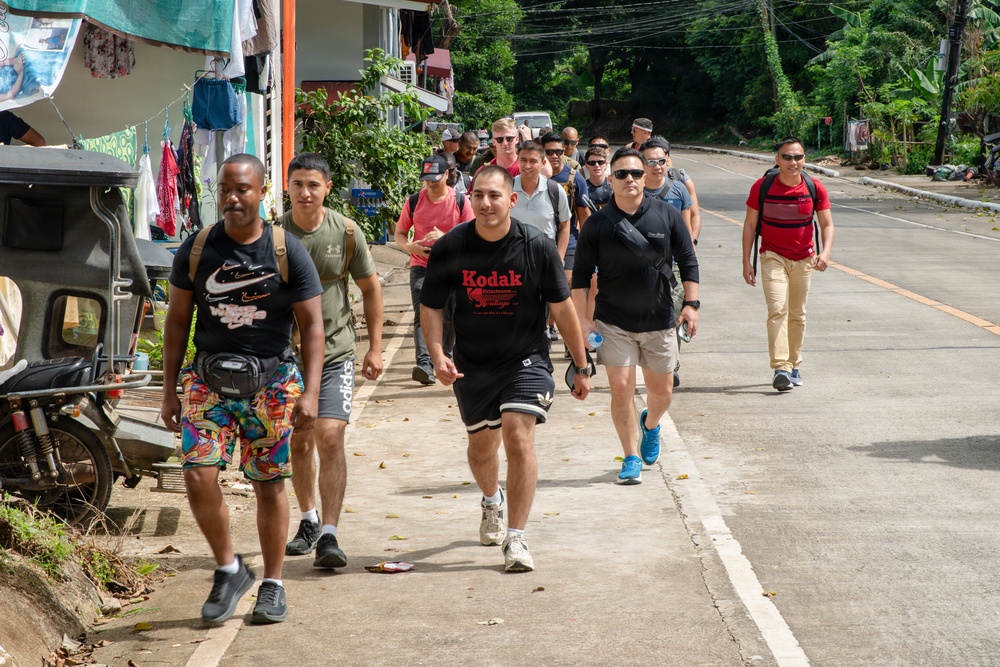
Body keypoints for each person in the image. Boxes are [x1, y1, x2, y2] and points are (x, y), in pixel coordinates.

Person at [161, 153, 325, 625]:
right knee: (197, 475)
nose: (233, 198)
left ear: (261, 193)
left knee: (270, 485)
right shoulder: (196, 249)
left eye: (243, 190)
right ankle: (229, 567)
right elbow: (176, 322)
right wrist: (170, 390)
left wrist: (310, 393)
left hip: (271, 385)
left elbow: (312, 325)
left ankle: (272, 583)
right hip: (207, 384)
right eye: (226, 190)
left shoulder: (285, 250)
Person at [419, 165, 591, 572]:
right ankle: (491, 500)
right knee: (482, 449)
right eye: (478, 195)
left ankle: (517, 538)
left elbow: (562, 308)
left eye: (494, 195)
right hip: (473, 364)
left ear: (511, 200)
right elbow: (431, 305)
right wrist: (437, 353)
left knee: (517, 436)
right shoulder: (452, 247)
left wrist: (581, 363)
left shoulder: (535, 246)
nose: (485, 203)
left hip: (525, 360)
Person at [279, 152, 385, 570]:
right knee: (300, 440)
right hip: (286, 357)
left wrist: (374, 347)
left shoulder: (346, 232)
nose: (305, 193)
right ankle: (308, 519)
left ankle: (330, 533)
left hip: (337, 351)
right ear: (287, 187)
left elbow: (372, 289)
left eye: (313, 185)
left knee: (329, 436)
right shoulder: (271, 235)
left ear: (327, 186)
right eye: (297, 185)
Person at [571, 147, 699, 485]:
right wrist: (584, 321)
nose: (630, 179)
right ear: (610, 180)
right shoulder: (598, 224)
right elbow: (580, 277)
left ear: (647, 177)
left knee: (663, 392)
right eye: (622, 174)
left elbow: (688, 260)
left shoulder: (666, 215)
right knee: (621, 390)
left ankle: (650, 424)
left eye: (636, 173)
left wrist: (691, 304)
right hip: (614, 323)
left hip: (659, 320)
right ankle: (629, 456)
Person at [741, 137, 834, 391]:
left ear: (804, 159)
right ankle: (780, 367)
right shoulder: (762, 186)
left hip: (804, 259)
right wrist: (746, 262)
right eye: (787, 157)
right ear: (777, 159)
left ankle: (794, 365)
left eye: (798, 157)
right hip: (772, 256)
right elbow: (750, 225)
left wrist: (825, 253)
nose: (793, 162)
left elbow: (827, 224)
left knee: (797, 314)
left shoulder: (814, 187)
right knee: (777, 309)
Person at [394, 154, 474, 385]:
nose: (430, 184)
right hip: (421, 266)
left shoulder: (460, 201)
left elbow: (471, 233)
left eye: (435, 180)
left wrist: (445, 237)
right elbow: (399, 234)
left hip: (452, 267)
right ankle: (424, 364)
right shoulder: (413, 202)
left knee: (449, 314)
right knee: (423, 313)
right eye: (426, 180)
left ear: (447, 175)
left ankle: (444, 358)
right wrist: (409, 247)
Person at [641, 137, 695, 387]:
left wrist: (688, 258)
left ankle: (671, 365)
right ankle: (656, 363)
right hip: (640, 264)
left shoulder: (678, 190)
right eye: (650, 161)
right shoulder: (634, 190)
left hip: (672, 263)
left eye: (661, 160)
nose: (656, 166)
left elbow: (685, 229)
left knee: (672, 312)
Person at [541, 132, 590, 342]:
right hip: (540, 240)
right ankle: (542, 325)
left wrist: (589, 247)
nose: (554, 156)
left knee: (564, 283)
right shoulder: (535, 176)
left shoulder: (574, 178)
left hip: (568, 239)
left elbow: (584, 216)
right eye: (549, 152)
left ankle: (550, 325)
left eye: (558, 152)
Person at [511, 140, 571, 262]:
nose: (527, 166)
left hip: (545, 260)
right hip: (513, 260)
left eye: (533, 161)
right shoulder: (506, 188)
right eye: (523, 160)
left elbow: (565, 226)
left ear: (543, 163)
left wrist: (558, 260)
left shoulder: (555, 190)